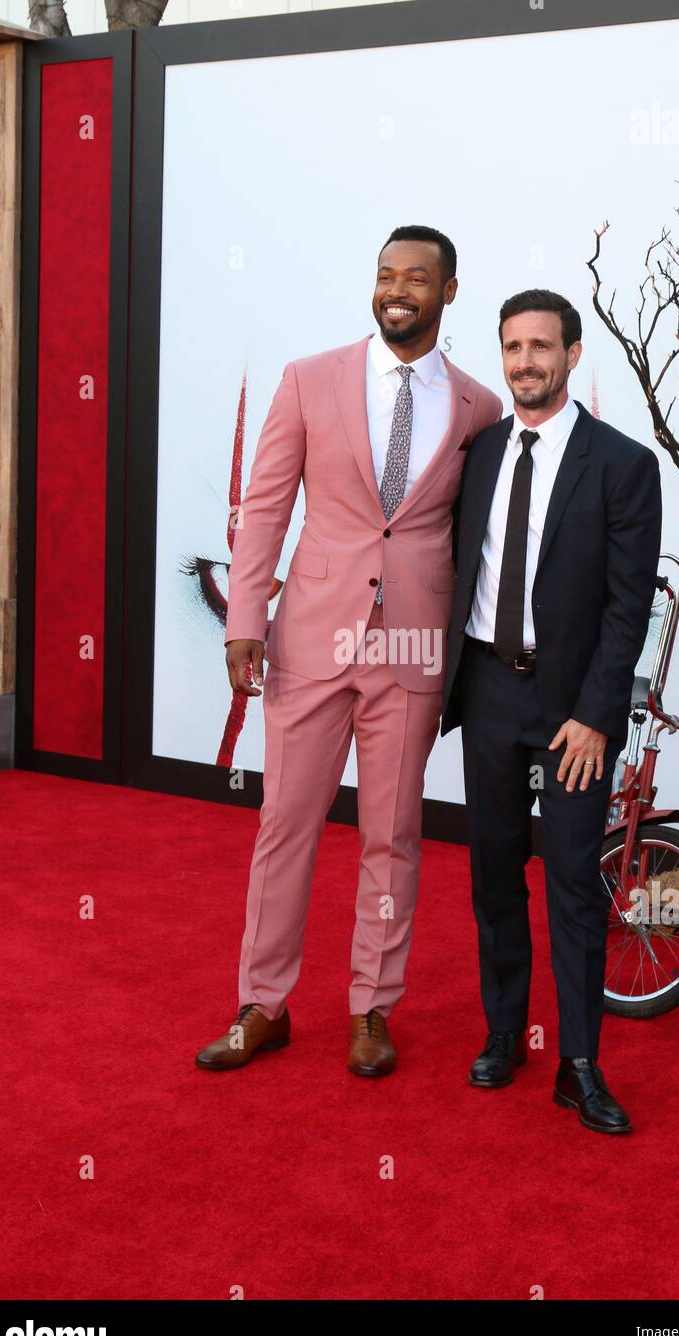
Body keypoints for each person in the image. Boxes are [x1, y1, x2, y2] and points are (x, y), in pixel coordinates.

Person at [197, 226, 503, 1078]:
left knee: (393, 837)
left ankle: (372, 1008)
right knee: (285, 825)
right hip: (310, 641)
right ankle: (262, 1004)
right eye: (384, 275)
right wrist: (244, 620)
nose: (397, 289)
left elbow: (474, 534)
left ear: (449, 292)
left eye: (417, 278)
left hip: (411, 650)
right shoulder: (309, 380)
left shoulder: (478, 406)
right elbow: (264, 511)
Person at [441, 289, 662, 1133]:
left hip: (573, 710)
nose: (525, 361)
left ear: (572, 353)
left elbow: (626, 606)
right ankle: (505, 1033)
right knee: (493, 873)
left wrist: (598, 714)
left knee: (572, 884)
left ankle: (579, 1064)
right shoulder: (482, 452)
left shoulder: (622, 465)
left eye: (541, 345)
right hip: (492, 693)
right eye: (512, 347)